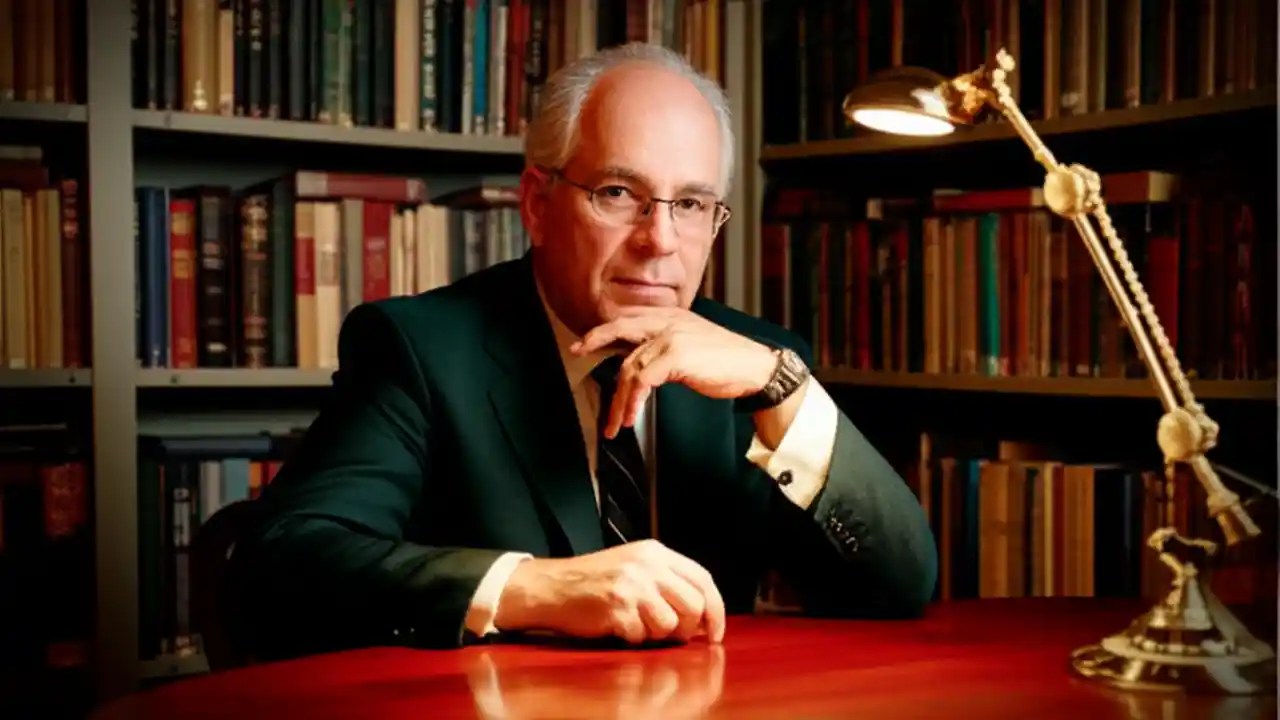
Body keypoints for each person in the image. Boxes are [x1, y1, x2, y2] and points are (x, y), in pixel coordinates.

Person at [226, 42, 937, 660]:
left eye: (691, 204)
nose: (660, 240)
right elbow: (282, 563)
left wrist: (782, 386)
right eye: (619, 192)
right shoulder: (420, 348)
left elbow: (900, 586)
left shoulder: (756, 363)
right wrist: (534, 588)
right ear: (537, 205)